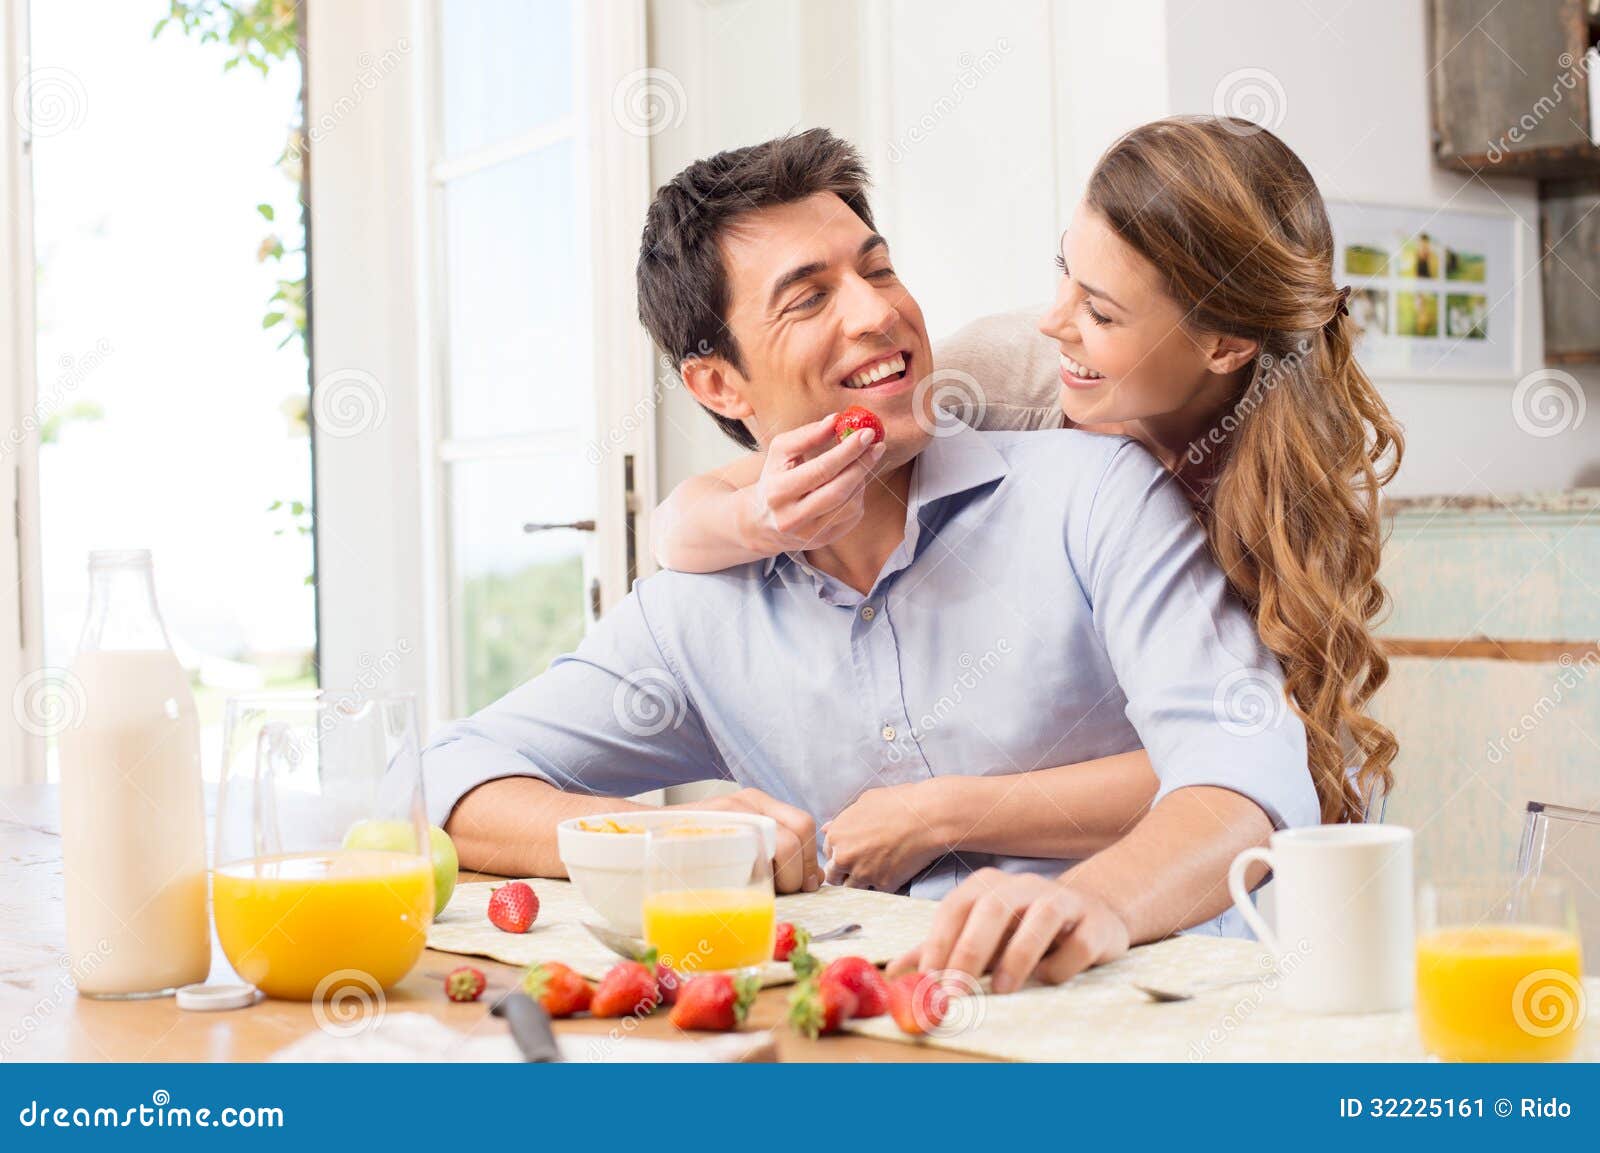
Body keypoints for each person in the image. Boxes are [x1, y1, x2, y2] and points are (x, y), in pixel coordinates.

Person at [423, 128, 1316, 990]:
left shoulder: (1095, 487)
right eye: (809, 296)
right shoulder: (697, 610)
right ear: (717, 384)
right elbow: (437, 779)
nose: (878, 309)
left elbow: (1246, 774)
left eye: (879, 267)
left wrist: (1091, 908)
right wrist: (647, 836)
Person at [649, 118, 1403, 988]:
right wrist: (758, 525)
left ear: (1225, 345)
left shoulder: (1292, 480)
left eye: (1102, 310)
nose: (1056, 323)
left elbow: (1261, 757)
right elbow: (702, 507)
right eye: (1063, 274)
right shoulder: (1004, 371)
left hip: (1213, 877)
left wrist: (945, 811)